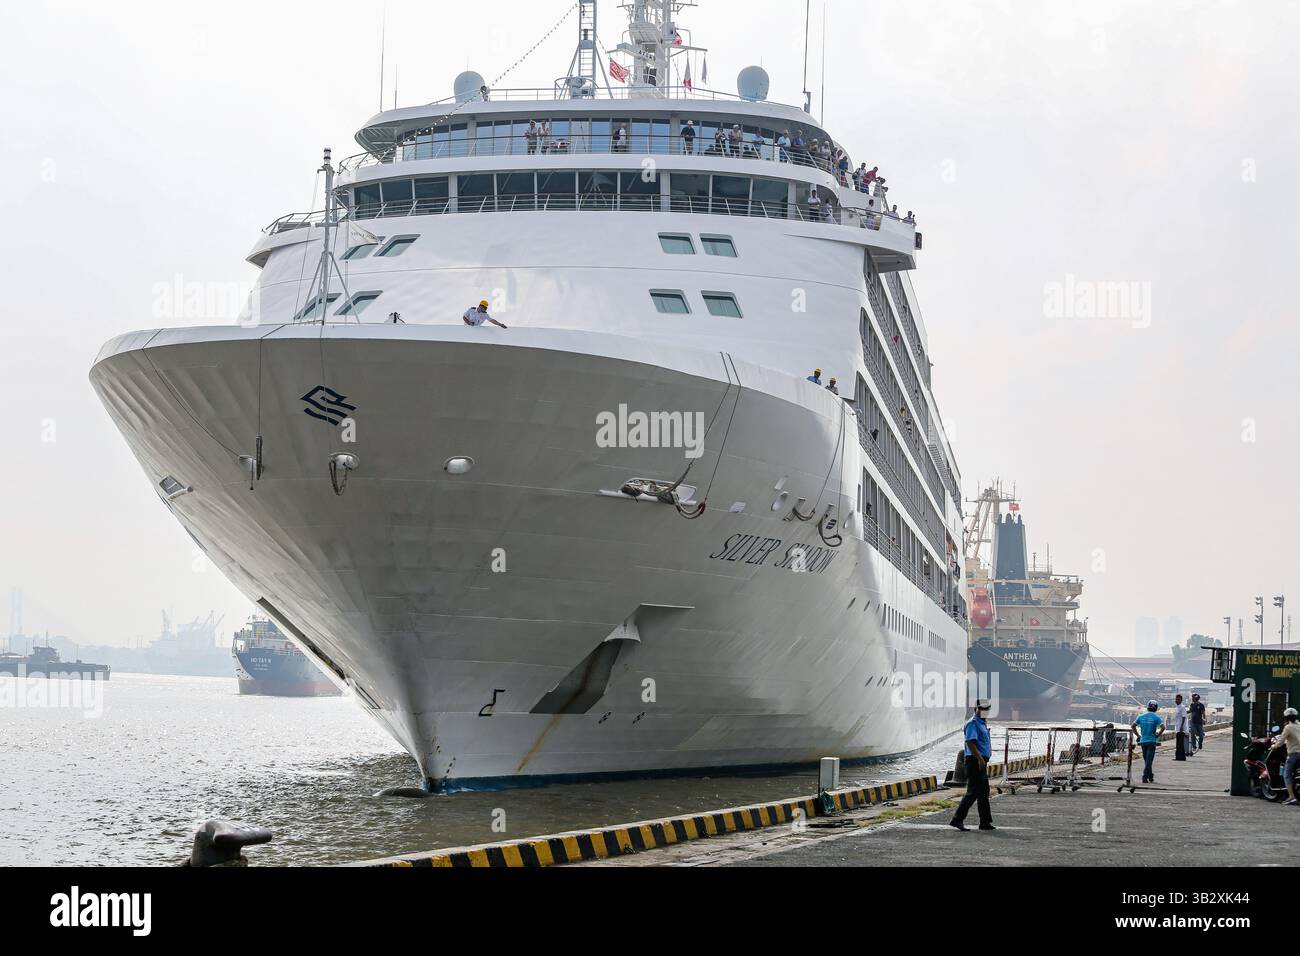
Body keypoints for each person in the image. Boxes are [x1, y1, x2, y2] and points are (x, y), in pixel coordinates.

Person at [950, 699, 995, 832]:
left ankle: (985, 822)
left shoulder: (982, 723)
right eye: (982, 709)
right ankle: (957, 819)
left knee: (983, 792)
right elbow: (970, 743)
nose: (984, 712)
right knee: (973, 792)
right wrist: (980, 759)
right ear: (976, 708)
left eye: (987, 710)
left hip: (980, 761)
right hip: (974, 761)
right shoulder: (973, 723)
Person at [1268, 707, 1300, 805]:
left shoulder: (1288, 727)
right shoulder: (1299, 725)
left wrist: (1274, 746)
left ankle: (1291, 797)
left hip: (1294, 753)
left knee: (1287, 775)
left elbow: (1281, 741)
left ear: (1286, 718)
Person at [1131, 701, 1164, 784]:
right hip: (1152, 741)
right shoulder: (1157, 718)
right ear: (1156, 708)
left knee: (1147, 760)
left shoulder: (1141, 716)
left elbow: (1133, 726)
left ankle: (1150, 775)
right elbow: (1163, 727)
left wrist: (1138, 736)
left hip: (1143, 741)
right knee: (1149, 761)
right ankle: (1145, 776)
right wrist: (1157, 735)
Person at [1173, 694, 1188, 760]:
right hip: (1177, 727)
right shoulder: (1177, 707)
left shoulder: (1182, 707)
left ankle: (1181, 757)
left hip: (1181, 728)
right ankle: (1178, 756)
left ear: (1181, 700)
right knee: (1178, 743)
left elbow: (1184, 717)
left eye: (1178, 699)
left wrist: (1181, 727)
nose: (1177, 700)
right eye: (1176, 699)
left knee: (1180, 743)